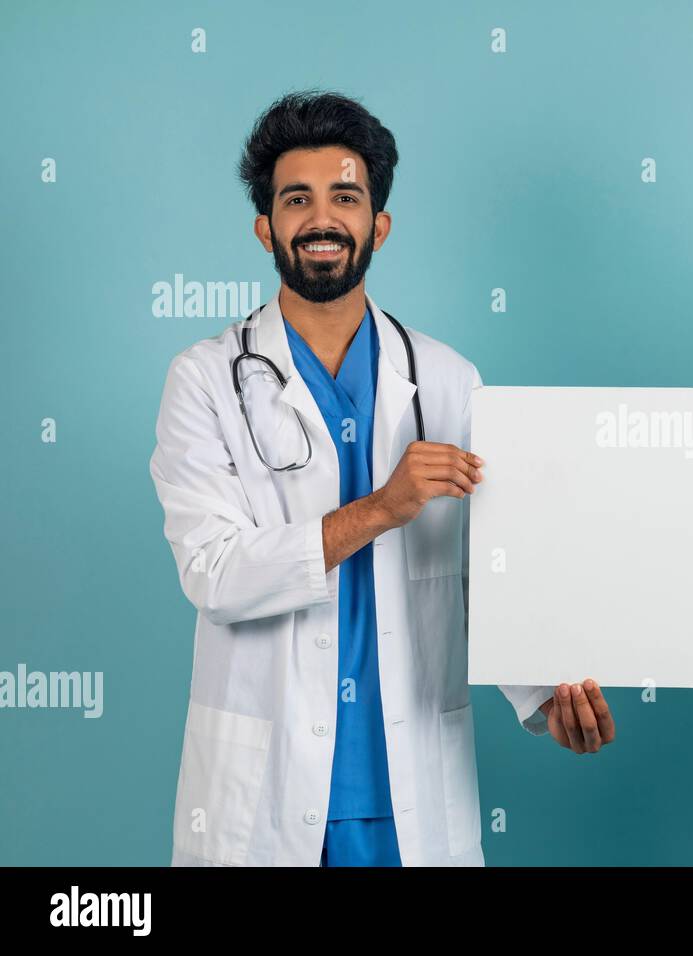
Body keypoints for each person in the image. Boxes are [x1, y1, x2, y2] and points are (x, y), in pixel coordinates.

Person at [150, 91, 614, 868]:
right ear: (266, 226)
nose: (322, 218)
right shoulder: (204, 380)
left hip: (409, 801)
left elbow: (483, 577)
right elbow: (214, 573)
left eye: (346, 196)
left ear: (379, 225)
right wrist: (381, 508)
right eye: (296, 199)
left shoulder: (446, 380)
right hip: (259, 805)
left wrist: (548, 698)